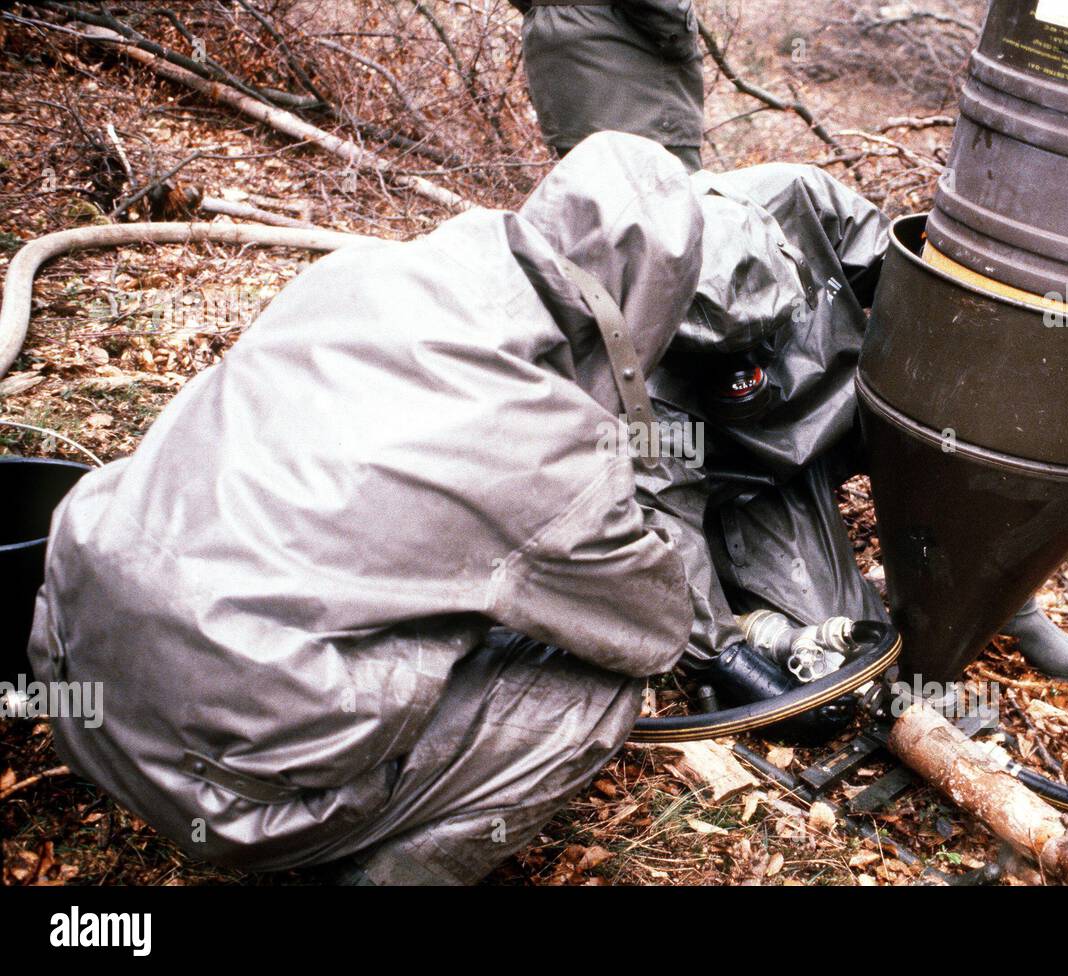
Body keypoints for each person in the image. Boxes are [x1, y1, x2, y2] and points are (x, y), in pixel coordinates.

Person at [27, 133, 721, 885]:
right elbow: (650, 634)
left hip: (78, 680)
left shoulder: (356, 272)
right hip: (221, 791)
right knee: (593, 691)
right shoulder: (550, 447)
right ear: (651, 306)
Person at [641, 163, 1068, 687]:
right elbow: (663, 514)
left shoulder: (800, 201)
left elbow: (933, 303)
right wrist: (722, 655)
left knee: (973, 427)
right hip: (749, 478)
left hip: (851, 403)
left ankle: (1005, 603)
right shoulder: (625, 346)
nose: (750, 368)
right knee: (851, 663)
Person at [509, 0, 705, 172]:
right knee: (670, 202)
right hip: (632, 75)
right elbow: (669, 19)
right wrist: (683, 31)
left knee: (594, 198)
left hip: (559, 58)